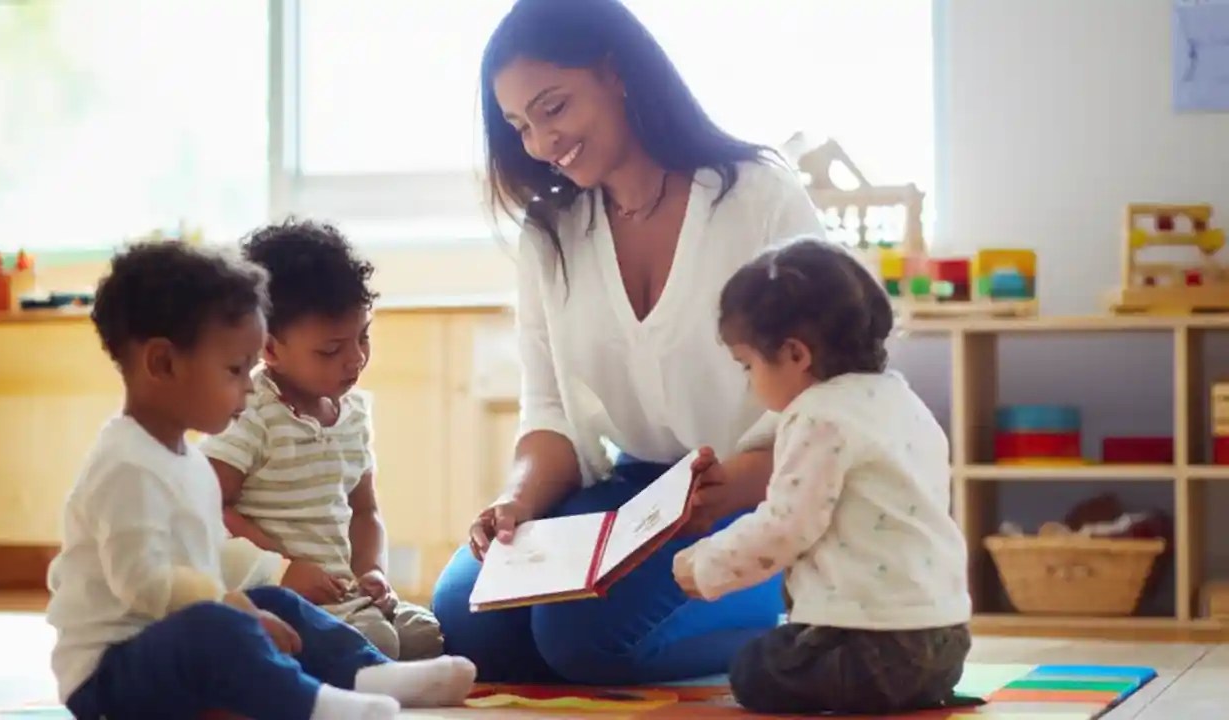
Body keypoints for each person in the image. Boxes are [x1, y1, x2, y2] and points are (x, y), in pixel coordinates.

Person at [430, 0, 828, 685]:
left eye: (554, 108)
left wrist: (732, 489)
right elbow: (549, 412)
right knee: (465, 620)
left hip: (758, 496)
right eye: (522, 125)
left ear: (615, 73)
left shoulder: (758, 196)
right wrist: (517, 503)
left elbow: (826, 395)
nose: (540, 142)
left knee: (584, 640)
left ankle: (797, 621)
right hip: (638, 492)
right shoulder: (551, 231)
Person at [45, 240, 475, 720]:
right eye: (235, 369)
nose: (250, 386)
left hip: (178, 640)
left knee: (273, 601)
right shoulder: (125, 464)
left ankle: (367, 673)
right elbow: (143, 583)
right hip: (110, 673)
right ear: (163, 364)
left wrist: (254, 600)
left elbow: (207, 560)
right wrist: (234, 608)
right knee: (220, 623)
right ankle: (315, 705)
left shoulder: (182, 459)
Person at [672, 238, 973, 715]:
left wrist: (706, 563)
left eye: (747, 365)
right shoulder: (900, 401)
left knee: (754, 667)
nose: (749, 381)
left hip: (871, 649)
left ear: (795, 355)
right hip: (947, 643)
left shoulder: (817, 416)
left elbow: (786, 526)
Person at [203, 219, 444, 661]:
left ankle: (369, 658)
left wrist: (371, 570)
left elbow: (365, 509)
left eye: (364, 336)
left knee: (425, 636)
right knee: (379, 644)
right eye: (331, 350)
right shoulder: (250, 410)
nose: (356, 360)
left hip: (342, 594)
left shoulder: (353, 415)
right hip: (276, 595)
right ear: (269, 348)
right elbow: (206, 505)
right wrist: (280, 567)